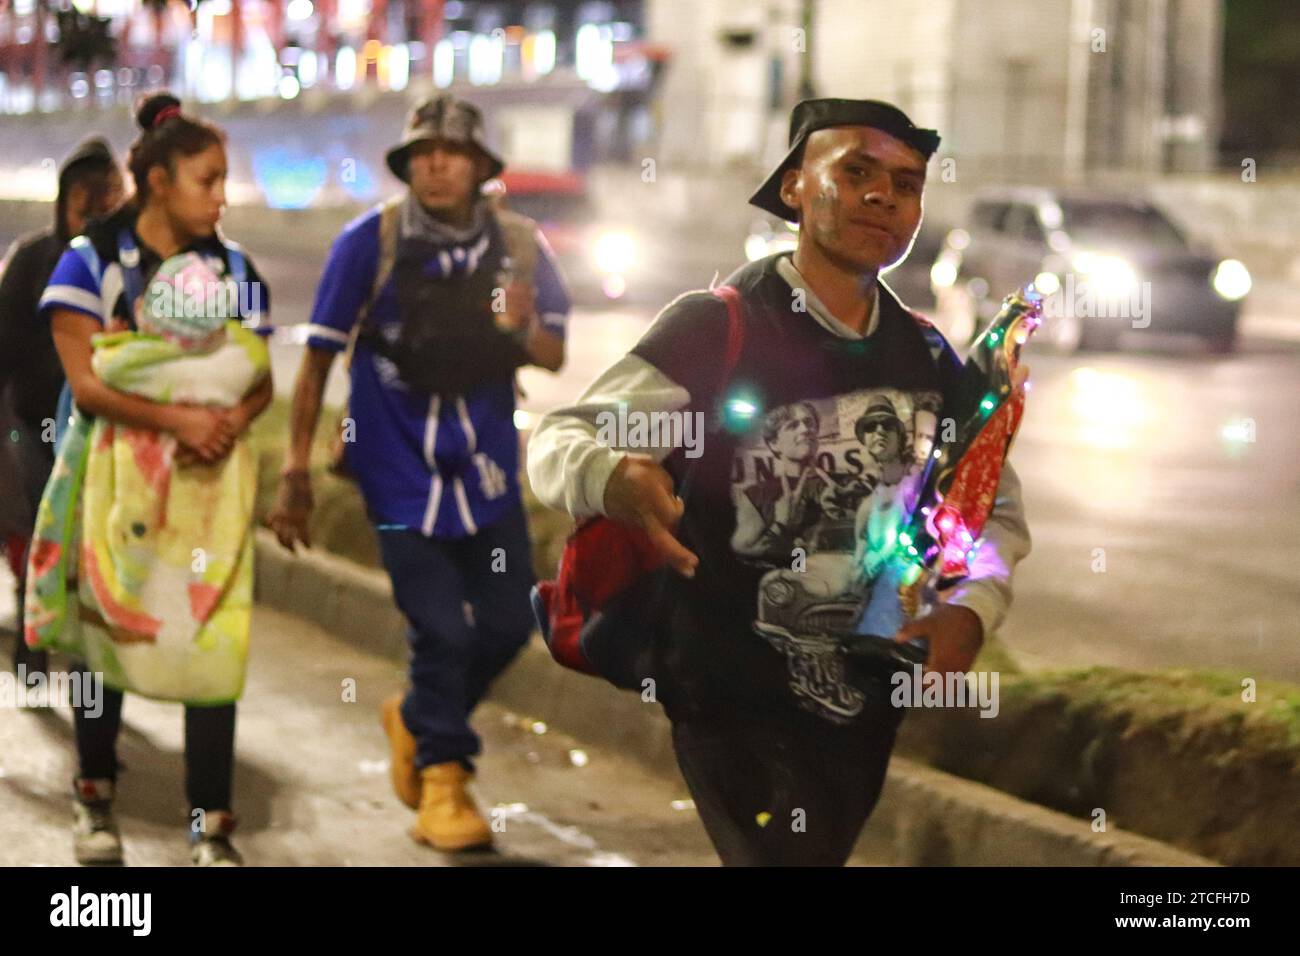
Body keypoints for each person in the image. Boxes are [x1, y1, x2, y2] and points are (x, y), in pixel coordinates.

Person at [528, 98, 1032, 865]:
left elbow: (987, 507)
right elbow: (563, 438)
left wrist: (970, 610)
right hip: (726, 693)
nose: (882, 197)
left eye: (906, 183)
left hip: (862, 698)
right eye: (855, 172)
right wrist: (611, 477)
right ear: (796, 187)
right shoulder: (717, 328)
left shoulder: (928, 357)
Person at [268, 95, 570, 853]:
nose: (436, 165)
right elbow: (316, 360)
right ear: (408, 166)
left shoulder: (522, 248)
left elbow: (553, 352)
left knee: (508, 622)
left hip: (491, 472)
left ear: (477, 167)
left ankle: (417, 718)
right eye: (423, 153)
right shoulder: (367, 243)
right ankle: (445, 777)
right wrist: (295, 470)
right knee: (437, 626)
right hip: (395, 469)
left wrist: (520, 324)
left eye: (453, 152)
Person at [37, 93, 275, 866]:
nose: (222, 196)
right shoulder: (91, 261)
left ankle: (211, 826)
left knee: (212, 641)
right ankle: (94, 796)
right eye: (207, 180)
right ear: (161, 179)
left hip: (208, 496)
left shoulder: (235, 269)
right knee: (103, 640)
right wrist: (180, 421)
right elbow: (89, 382)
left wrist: (232, 421)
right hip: (111, 485)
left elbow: (257, 375)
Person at [0, 136, 124, 677]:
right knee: (37, 530)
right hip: (32, 422)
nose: (94, 212)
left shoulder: (124, 264)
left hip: (99, 430)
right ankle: (31, 650)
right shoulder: (34, 260)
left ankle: (86, 675)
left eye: (106, 199)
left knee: (90, 546)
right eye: (84, 200)